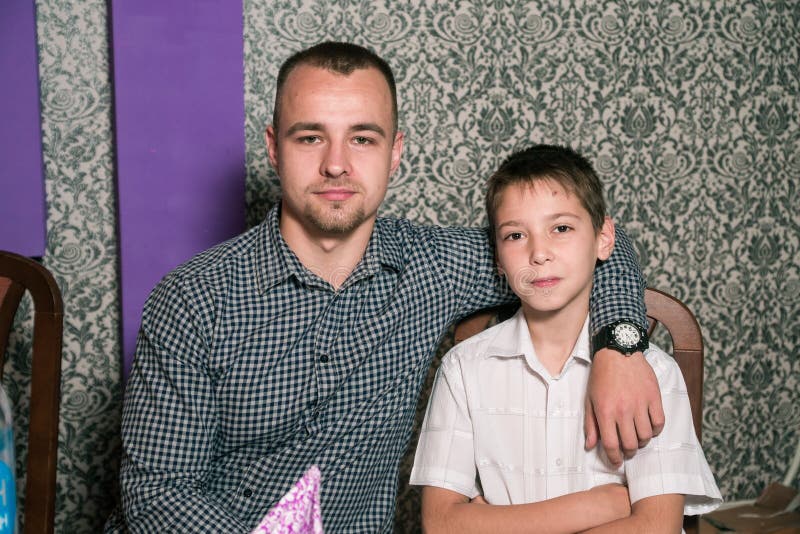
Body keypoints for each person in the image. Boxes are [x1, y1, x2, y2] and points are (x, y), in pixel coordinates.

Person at [105, 42, 661, 532]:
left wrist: (619, 347)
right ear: (274, 148)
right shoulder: (194, 299)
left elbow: (596, 246)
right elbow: (158, 494)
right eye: (310, 137)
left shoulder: (433, 267)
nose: (336, 165)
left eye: (363, 139)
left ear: (395, 152)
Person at [410, 144, 722, 533]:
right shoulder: (464, 368)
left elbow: (656, 527)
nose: (539, 253)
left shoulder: (654, 373)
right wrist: (604, 504)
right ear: (497, 258)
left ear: (604, 238)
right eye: (515, 235)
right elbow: (442, 524)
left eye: (561, 228)